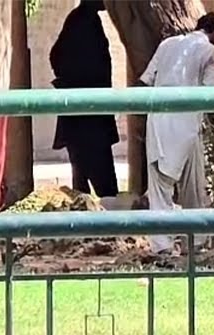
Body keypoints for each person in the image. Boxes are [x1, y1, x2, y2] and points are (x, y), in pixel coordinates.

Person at [139, 12, 214, 254]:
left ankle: (162, 246)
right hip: (188, 125)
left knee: (159, 189)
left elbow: (146, 81)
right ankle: (195, 241)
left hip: (158, 121)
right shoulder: (210, 53)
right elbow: (209, 95)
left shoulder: (167, 44)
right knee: (194, 187)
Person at [49, 0, 119, 198]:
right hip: (88, 114)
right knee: (98, 176)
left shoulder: (85, 20)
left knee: (83, 173)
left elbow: (56, 56)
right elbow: (57, 56)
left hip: (87, 112)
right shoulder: (82, 21)